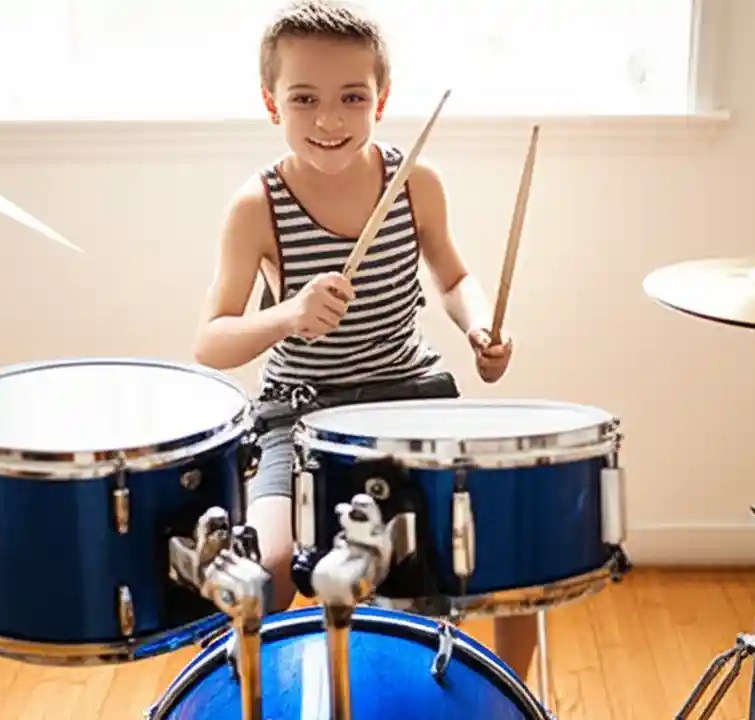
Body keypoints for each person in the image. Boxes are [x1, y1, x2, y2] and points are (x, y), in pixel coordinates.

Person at [191, 0, 539, 680]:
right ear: (271, 104)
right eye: (304, 99)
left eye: (353, 97)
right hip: (300, 409)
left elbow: (453, 274)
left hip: (411, 391)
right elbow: (211, 342)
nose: (330, 120)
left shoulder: (415, 184)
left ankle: (509, 697)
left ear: (383, 99)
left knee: (505, 548)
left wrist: (478, 328)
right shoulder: (256, 206)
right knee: (266, 568)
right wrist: (288, 315)